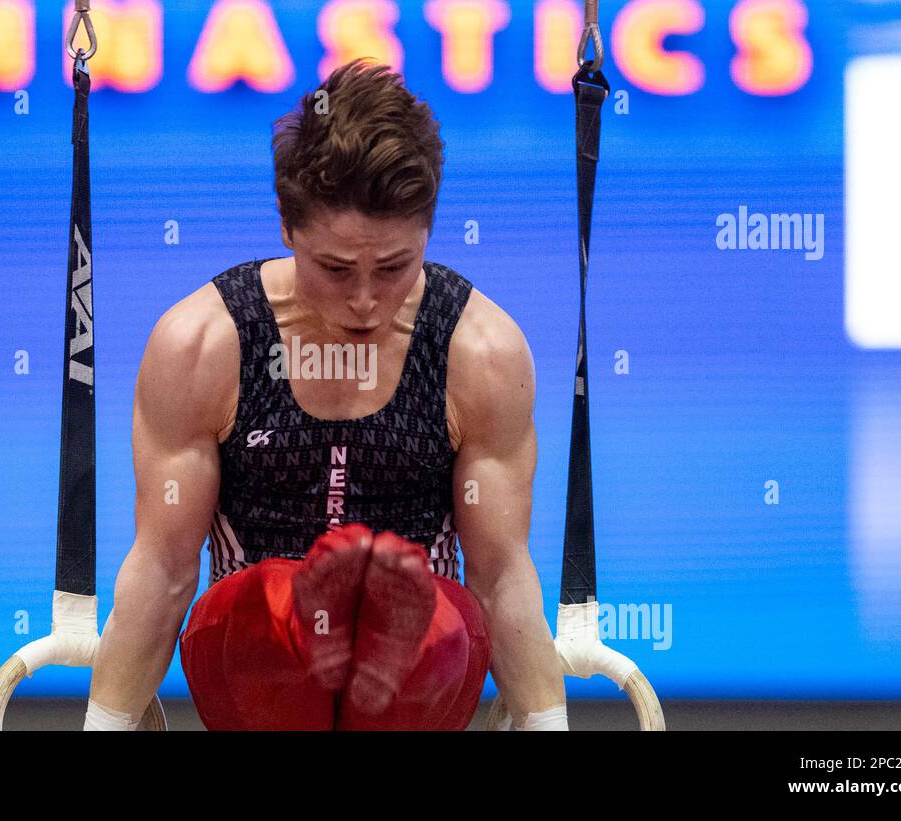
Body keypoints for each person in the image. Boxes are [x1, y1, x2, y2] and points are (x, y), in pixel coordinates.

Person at [84, 57, 567, 730]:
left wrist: (549, 723)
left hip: (419, 662)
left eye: (396, 266)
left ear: (428, 230)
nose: (366, 301)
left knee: (441, 617)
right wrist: (104, 723)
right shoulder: (204, 343)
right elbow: (164, 570)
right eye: (336, 269)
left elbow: (501, 576)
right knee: (262, 607)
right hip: (257, 658)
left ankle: (375, 618)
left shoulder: (479, 350)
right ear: (286, 228)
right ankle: (326, 612)